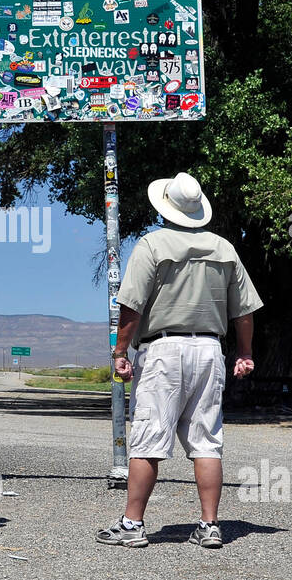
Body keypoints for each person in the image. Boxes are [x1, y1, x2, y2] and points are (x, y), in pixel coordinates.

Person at [97, 172, 263, 550]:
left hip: (163, 349)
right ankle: (209, 525)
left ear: (166, 207)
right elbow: (245, 311)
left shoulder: (152, 245)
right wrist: (246, 352)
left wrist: (120, 351)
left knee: (148, 438)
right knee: (207, 440)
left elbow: (131, 305)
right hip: (210, 349)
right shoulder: (224, 249)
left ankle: (132, 524)